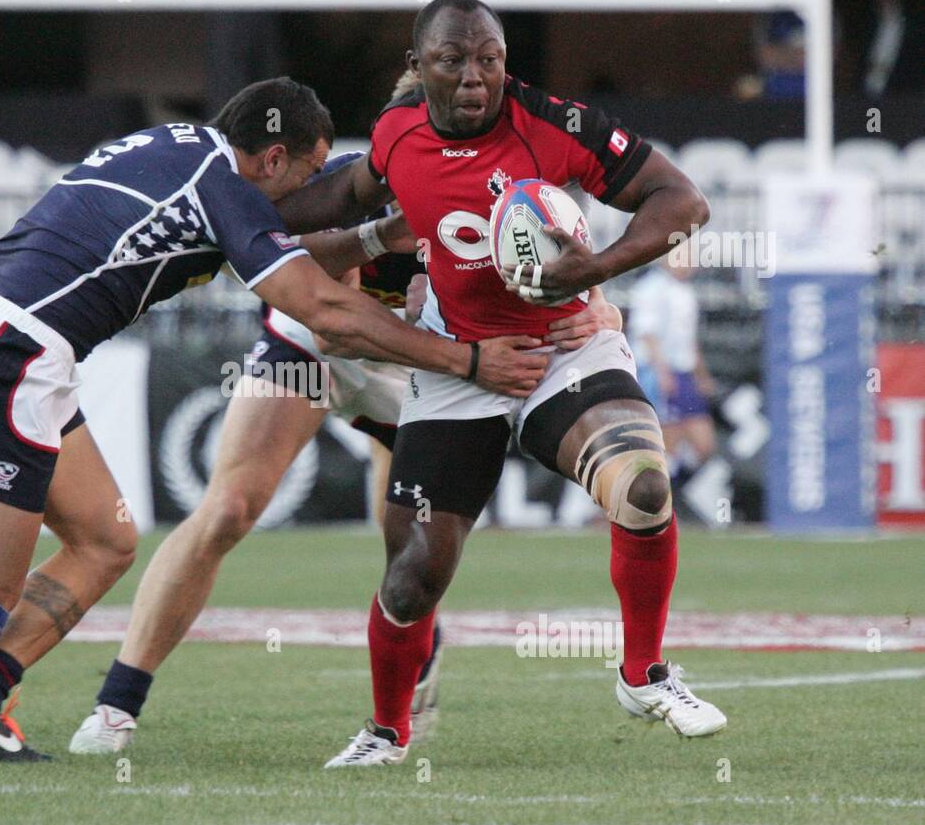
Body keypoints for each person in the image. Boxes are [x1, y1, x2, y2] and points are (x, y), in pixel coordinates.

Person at [0, 77, 544, 762]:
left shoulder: (187, 152)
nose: (324, 195)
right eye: (315, 176)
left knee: (106, 538)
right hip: (7, 350)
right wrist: (470, 362)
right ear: (275, 157)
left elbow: (294, 248)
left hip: (6, 341)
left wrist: (372, 235)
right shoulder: (225, 186)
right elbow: (321, 304)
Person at [67, 76, 628, 755]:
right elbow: (333, 324)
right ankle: (116, 704)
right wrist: (389, 254)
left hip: (428, 363)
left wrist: (595, 306)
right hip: (328, 341)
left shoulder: (518, 184)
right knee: (231, 506)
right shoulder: (354, 182)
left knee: (417, 537)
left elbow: (568, 270)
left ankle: (408, 687)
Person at [271, 0, 726, 767]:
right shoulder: (395, 138)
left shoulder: (555, 125)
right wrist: (238, 214)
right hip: (456, 370)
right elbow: (330, 208)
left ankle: (644, 672)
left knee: (645, 487)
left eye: (490, 59)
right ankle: (387, 729)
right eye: (455, 60)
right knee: (414, 573)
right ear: (419, 69)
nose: (476, 77)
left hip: (565, 347)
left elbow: (684, 202)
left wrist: (597, 268)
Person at [628, 257, 718, 497]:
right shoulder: (651, 287)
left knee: (703, 444)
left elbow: (689, 340)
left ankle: (667, 491)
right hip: (658, 371)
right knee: (666, 442)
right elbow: (647, 333)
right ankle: (650, 499)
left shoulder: (686, 291)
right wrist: (662, 372)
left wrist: (701, 374)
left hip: (684, 373)